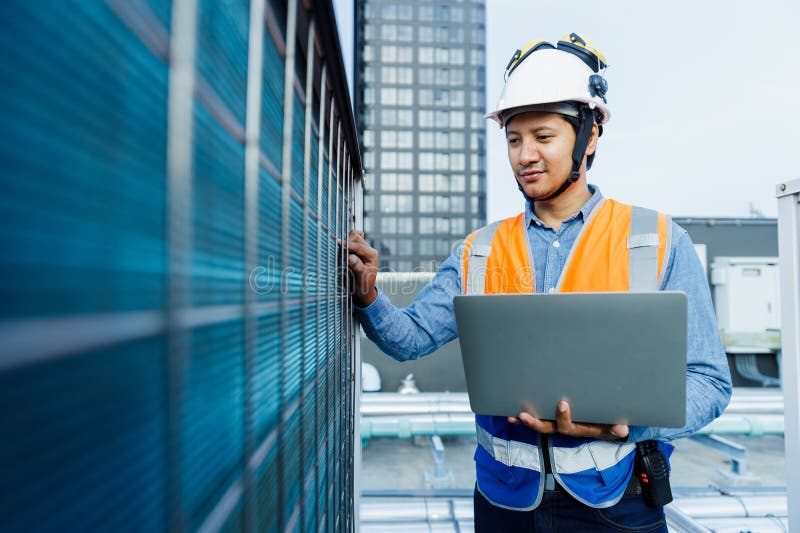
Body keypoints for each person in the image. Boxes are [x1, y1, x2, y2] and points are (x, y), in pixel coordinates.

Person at [344, 33, 732, 532]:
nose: (525, 154)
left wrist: (628, 423)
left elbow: (710, 383)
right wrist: (369, 294)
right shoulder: (479, 250)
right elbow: (410, 340)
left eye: (543, 137)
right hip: (505, 505)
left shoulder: (656, 240)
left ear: (589, 135)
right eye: (513, 138)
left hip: (618, 506)